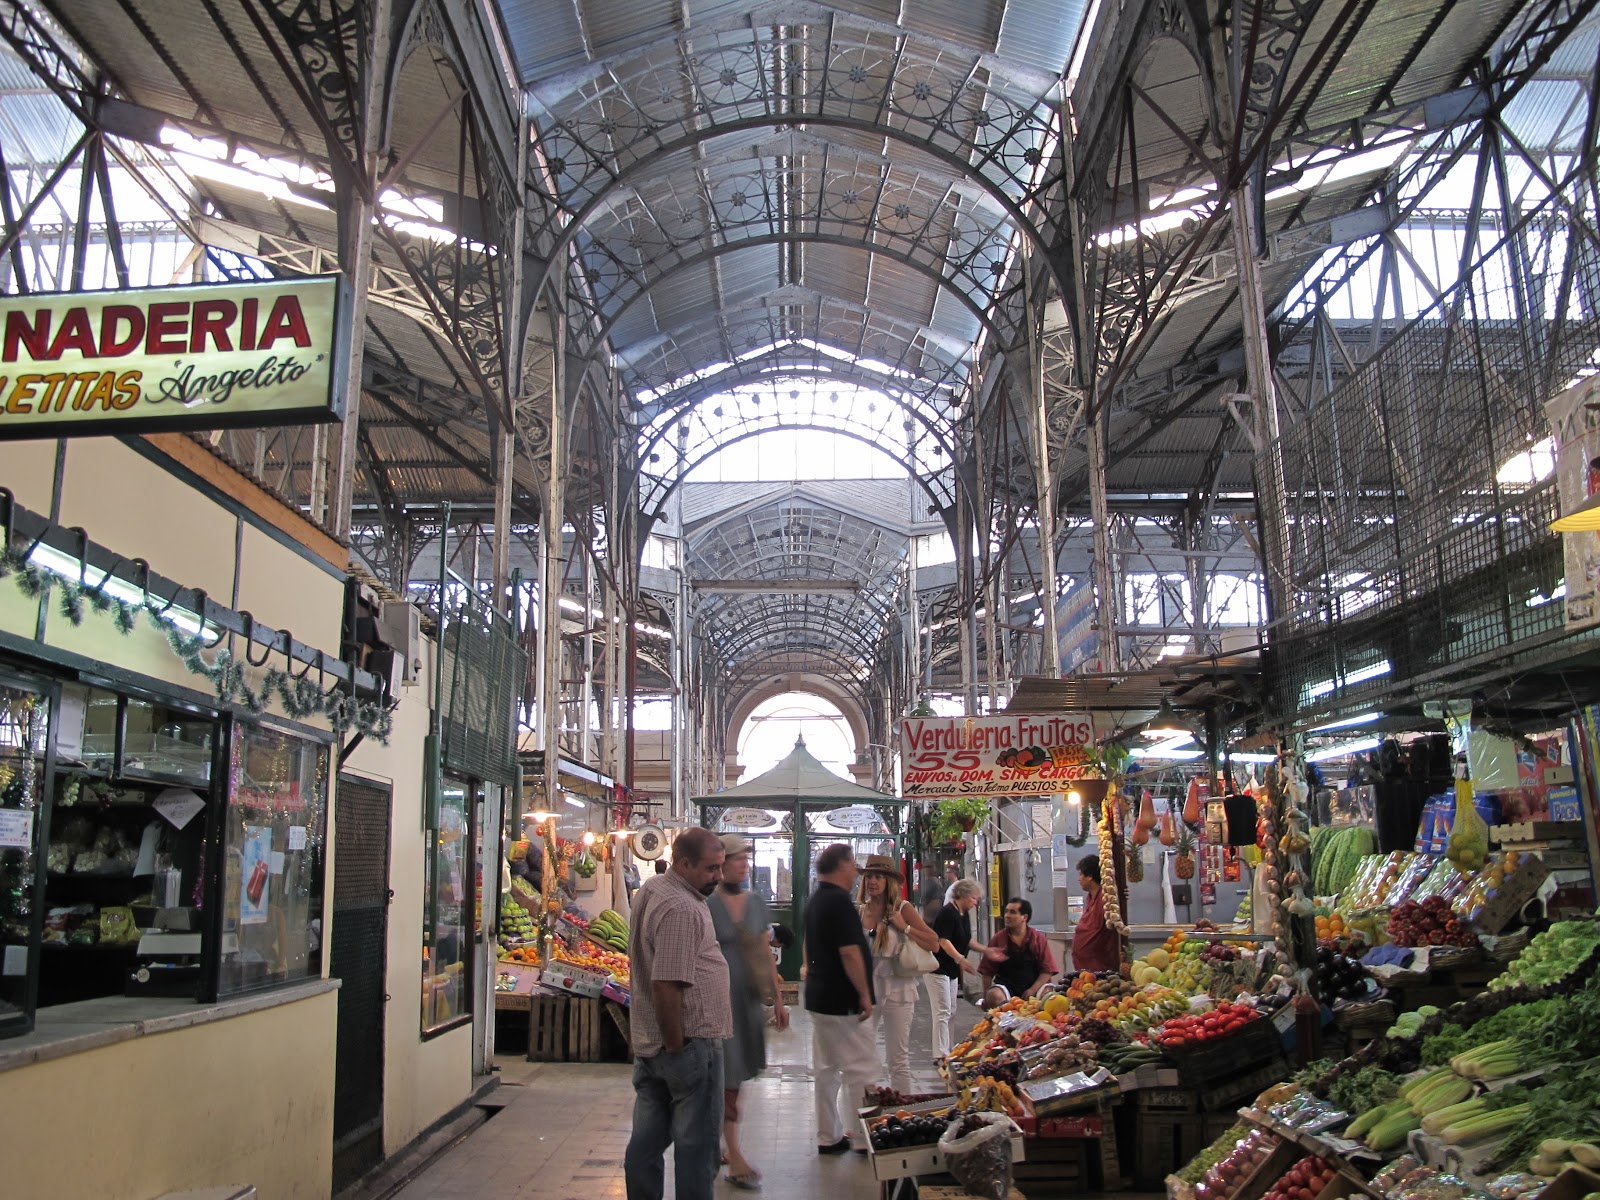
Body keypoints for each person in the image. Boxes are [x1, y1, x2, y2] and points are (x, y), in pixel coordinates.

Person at [624, 828, 732, 1200]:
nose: (718, 876)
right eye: (711, 868)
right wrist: (678, 1047)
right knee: (697, 1148)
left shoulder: (655, 887)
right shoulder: (682, 908)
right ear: (684, 864)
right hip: (685, 1045)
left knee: (647, 1141)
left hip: (651, 1045)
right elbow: (666, 985)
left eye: (721, 867)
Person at [707, 834, 789, 1191]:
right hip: (715, 999)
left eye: (745, 858)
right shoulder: (707, 903)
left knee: (735, 1073)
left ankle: (723, 1143)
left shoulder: (755, 903)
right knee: (724, 1072)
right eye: (736, 858)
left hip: (746, 1001)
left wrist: (778, 998)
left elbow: (762, 950)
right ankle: (734, 1154)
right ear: (720, 863)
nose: (743, 864)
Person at [804, 842, 876, 1154]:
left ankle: (828, 1135)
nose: (856, 876)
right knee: (861, 1069)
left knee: (826, 1069)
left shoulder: (816, 900)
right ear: (842, 866)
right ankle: (861, 1137)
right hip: (843, 1000)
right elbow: (850, 953)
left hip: (821, 998)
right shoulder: (839, 903)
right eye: (853, 868)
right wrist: (863, 993)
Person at [856, 853, 942, 1096]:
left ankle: (901, 1112)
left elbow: (934, 943)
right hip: (868, 989)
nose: (872, 882)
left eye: (879, 877)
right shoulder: (860, 912)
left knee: (898, 1057)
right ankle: (867, 1110)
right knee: (862, 1054)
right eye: (869, 876)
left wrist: (903, 926)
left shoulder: (903, 908)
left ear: (889, 881)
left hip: (899, 988)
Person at [923, 878, 982, 1059]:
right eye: (973, 898)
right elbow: (943, 940)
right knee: (942, 1010)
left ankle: (949, 1049)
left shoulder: (962, 914)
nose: (975, 902)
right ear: (963, 895)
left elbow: (965, 940)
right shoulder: (947, 913)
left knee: (952, 1010)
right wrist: (960, 959)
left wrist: (986, 950)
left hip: (951, 970)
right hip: (938, 968)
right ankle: (940, 1053)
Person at [978, 896, 1058, 1009]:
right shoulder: (998, 939)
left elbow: (1047, 970)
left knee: (1050, 994)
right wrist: (986, 997)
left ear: (1024, 917)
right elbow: (987, 972)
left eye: (1012, 912)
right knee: (993, 995)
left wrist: (1032, 990)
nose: (1007, 915)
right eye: (1006, 912)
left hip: (1034, 987)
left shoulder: (1037, 939)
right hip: (1006, 987)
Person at [1071, 854, 1122, 974]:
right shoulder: (1090, 898)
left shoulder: (1105, 898)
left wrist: (1122, 893)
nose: (1079, 879)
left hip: (1100, 967)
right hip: (1084, 967)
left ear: (1089, 876)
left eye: (1081, 874)